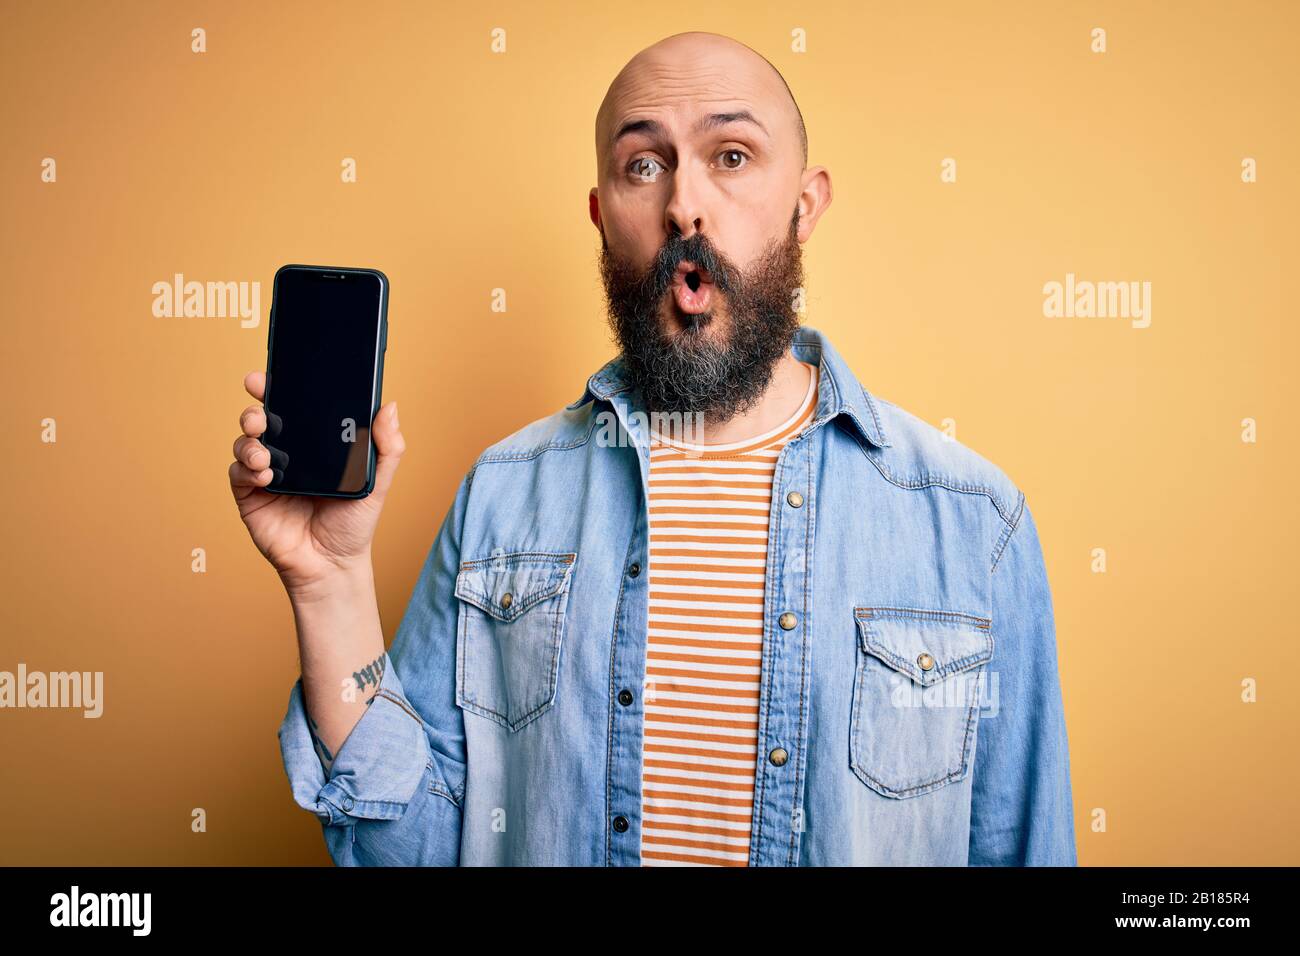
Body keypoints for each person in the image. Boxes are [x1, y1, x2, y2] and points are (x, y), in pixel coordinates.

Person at [229, 31, 1076, 866]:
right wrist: (328, 584)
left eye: (733, 156)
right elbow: (406, 849)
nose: (684, 205)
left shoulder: (971, 521)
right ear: (602, 217)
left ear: (805, 203)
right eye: (644, 165)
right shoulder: (501, 495)